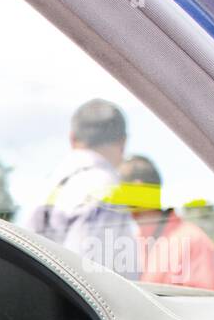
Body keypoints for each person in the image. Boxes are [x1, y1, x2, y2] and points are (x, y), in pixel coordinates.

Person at [29, 98, 139, 277]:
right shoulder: (105, 189)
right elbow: (92, 281)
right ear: (123, 142)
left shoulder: (46, 187)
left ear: (72, 138)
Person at [114, 155, 214, 291]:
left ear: (137, 189)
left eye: (118, 190)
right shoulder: (130, 239)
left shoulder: (193, 241)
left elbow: (205, 304)